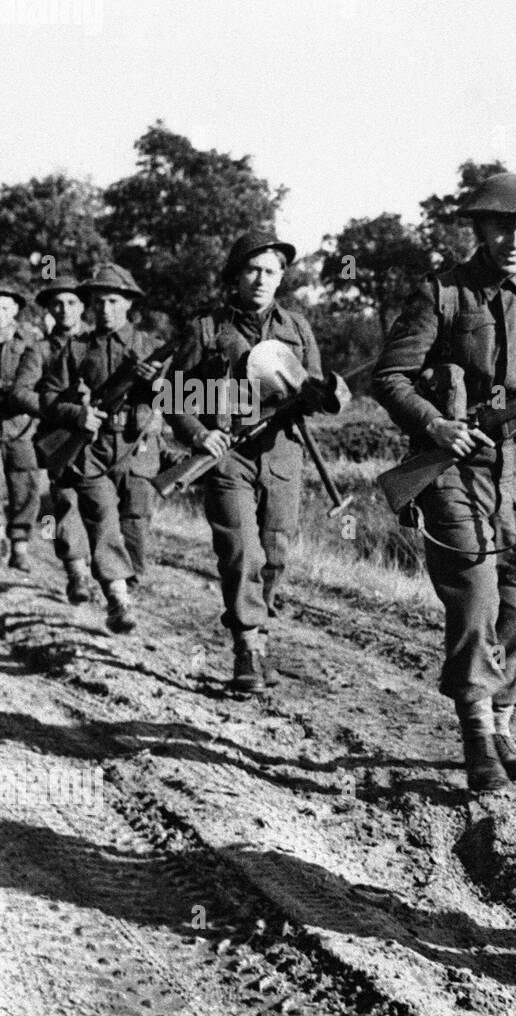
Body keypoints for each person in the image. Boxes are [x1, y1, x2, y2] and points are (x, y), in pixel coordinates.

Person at [373, 173, 516, 793]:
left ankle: (502, 720)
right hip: (455, 471)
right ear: (479, 229)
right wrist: (438, 427)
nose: (514, 240)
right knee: (476, 599)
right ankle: (475, 729)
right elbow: (391, 378)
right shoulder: (442, 294)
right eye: (502, 227)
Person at [165, 230, 327, 695]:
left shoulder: (297, 329)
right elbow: (172, 394)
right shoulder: (205, 330)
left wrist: (321, 393)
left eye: (270, 272)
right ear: (236, 276)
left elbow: (315, 389)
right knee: (242, 552)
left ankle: (258, 630)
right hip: (227, 454)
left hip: (282, 454)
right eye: (252, 269)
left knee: (275, 554)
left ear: (280, 280)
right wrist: (199, 433)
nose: (260, 279)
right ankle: (248, 647)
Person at [36, 263, 166, 633]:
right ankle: (118, 600)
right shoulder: (77, 349)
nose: (105, 309)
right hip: (92, 449)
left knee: (135, 526)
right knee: (102, 519)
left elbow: (175, 399)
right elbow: (47, 396)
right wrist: (77, 414)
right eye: (98, 302)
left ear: (128, 304)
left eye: (113, 301)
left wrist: (154, 382)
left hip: (138, 449)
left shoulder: (149, 347)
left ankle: (128, 581)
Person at [35, 274, 94, 603]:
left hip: (100, 437)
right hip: (62, 439)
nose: (64, 309)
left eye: (71, 302)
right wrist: (58, 410)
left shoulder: (96, 344)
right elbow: (23, 393)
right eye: (56, 304)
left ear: (83, 306)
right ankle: (76, 574)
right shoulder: (40, 349)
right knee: (66, 502)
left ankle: (113, 581)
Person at [0, 282, 43, 574]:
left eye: (4, 307)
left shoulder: (30, 339)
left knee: (25, 485)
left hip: (20, 424)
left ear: (15, 310)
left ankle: (19, 547)